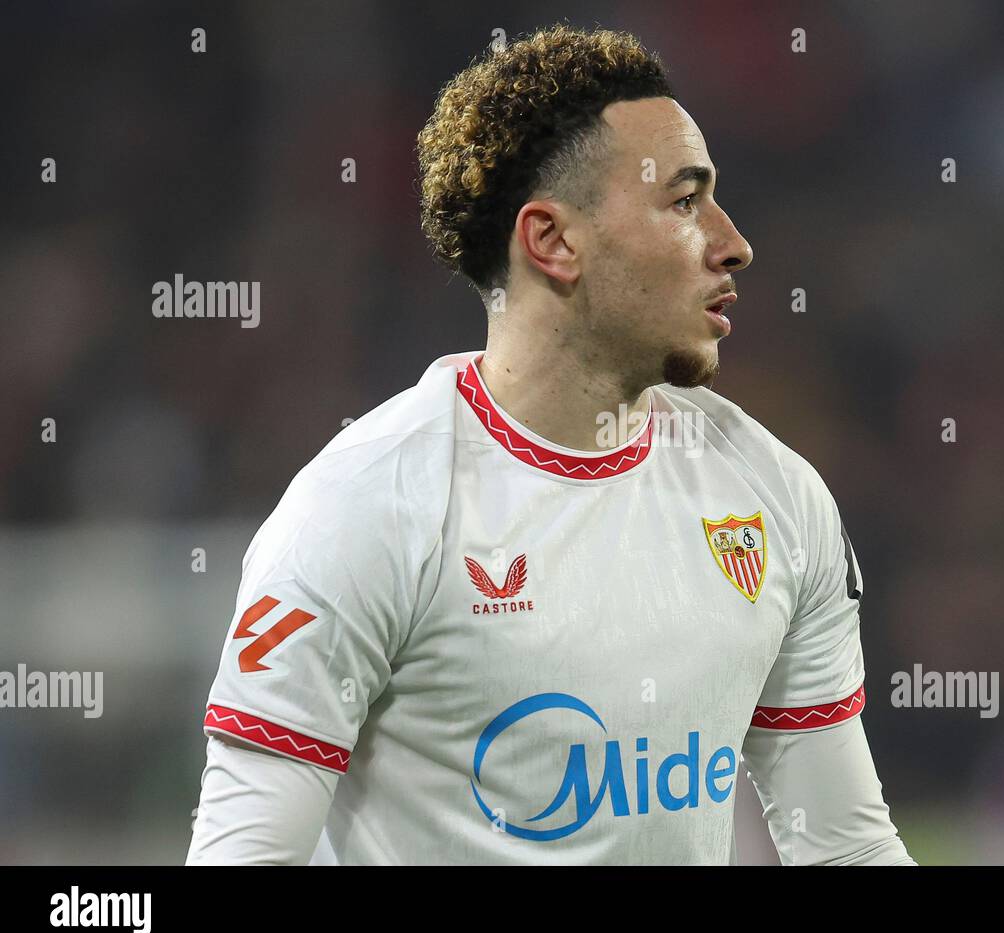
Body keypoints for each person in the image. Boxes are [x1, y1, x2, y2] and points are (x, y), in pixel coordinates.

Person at [187, 23, 914, 865]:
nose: (732, 243)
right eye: (684, 202)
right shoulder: (365, 509)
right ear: (553, 242)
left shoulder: (774, 496)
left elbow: (846, 849)